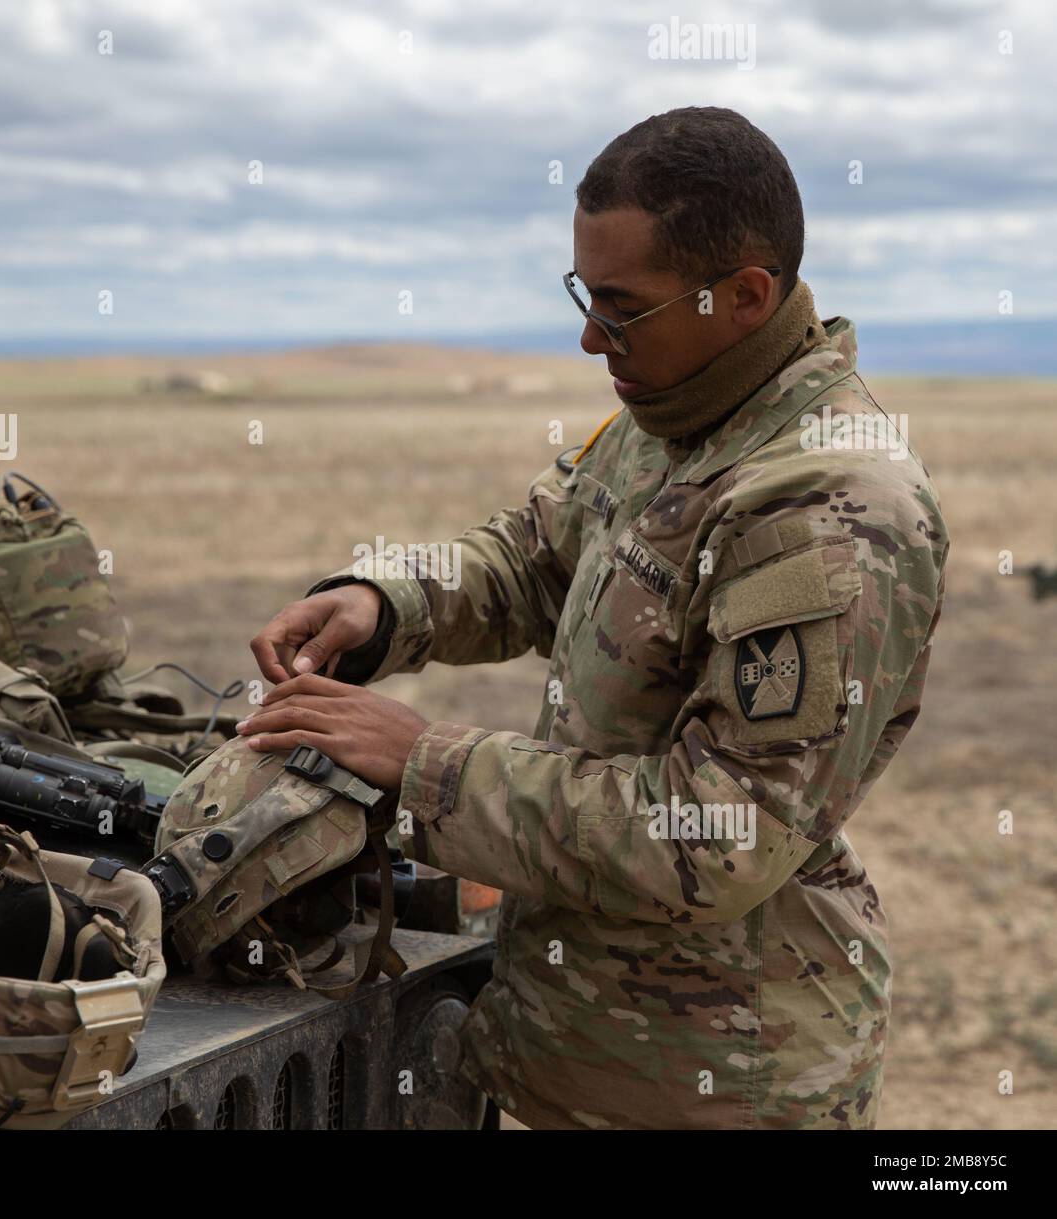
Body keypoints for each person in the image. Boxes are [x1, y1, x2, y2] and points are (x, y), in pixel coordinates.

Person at [241, 107, 949, 1129]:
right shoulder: (675, 416)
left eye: (620, 308)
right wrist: (383, 604)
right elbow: (537, 551)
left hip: (720, 1084)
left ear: (743, 295)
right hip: (576, 1053)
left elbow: (716, 833)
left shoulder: (826, 511)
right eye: (584, 296)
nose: (588, 339)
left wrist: (428, 763)